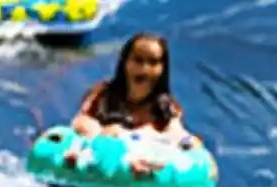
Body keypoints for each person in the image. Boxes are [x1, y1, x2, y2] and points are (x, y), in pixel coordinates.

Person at [67, 32, 201, 176]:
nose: (144, 69)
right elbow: (82, 121)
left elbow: (176, 132)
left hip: (147, 158)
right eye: (138, 60)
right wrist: (103, 134)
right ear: (125, 63)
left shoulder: (166, 108)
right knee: (107, 131)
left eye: (153, 62)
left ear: (162, 68)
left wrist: (190, 143)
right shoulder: (103, 96)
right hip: (103, 154)